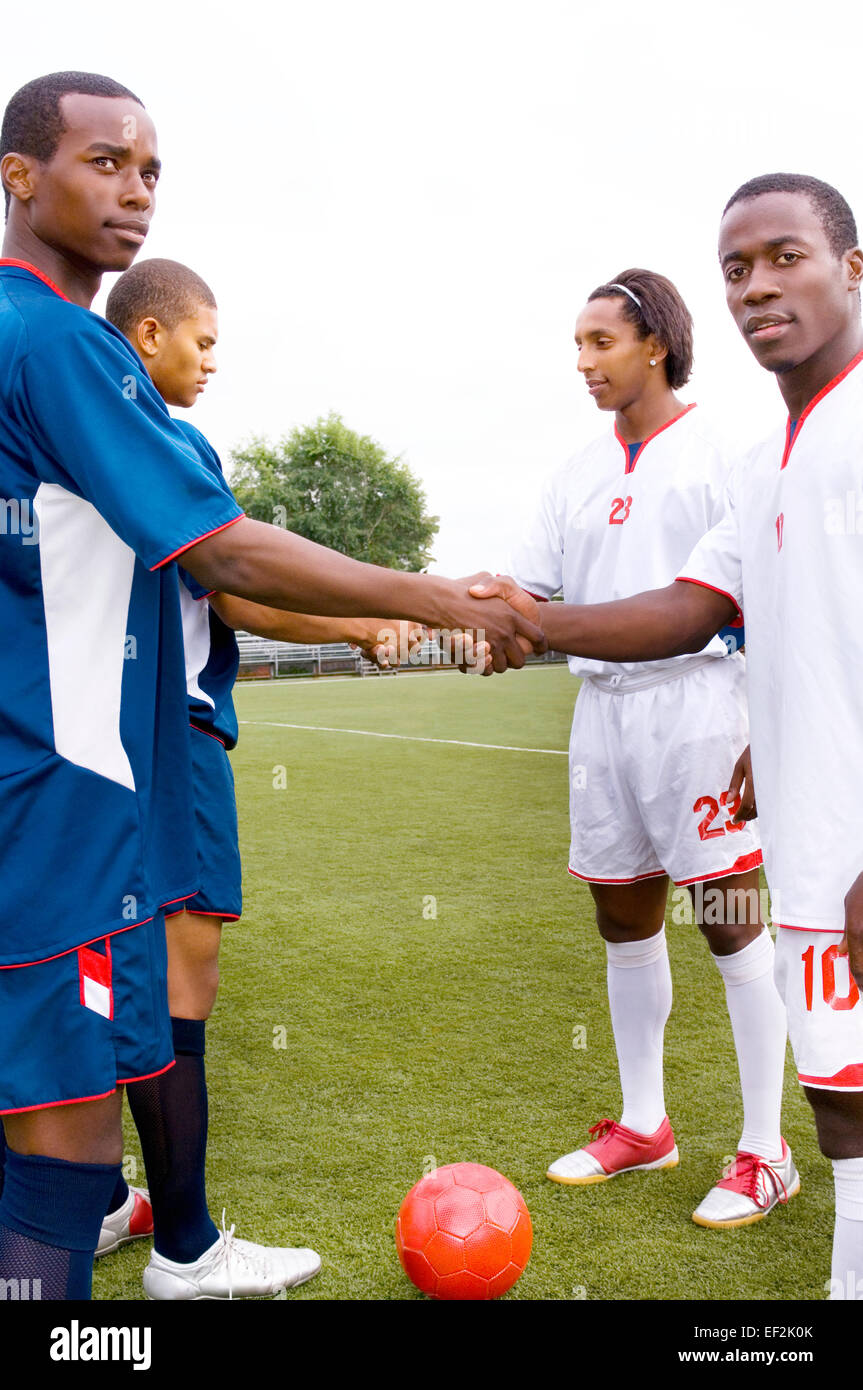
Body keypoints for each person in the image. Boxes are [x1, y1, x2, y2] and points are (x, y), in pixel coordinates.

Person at [0, 69, 542, 1302]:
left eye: (151, 171)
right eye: (104, 163)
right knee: (66, 1155)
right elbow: (226, 552)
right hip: (60, 809)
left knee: (46, 1128)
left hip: (42, 799)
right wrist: (440, 595)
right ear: (19, 176)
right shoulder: (56, 340)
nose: (134, 191)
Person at [474, 173, 863, 1295]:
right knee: (836, 1070)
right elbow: (687, 603)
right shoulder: (765, 460)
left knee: (745, 946)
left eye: (782, 256)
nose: (754, 286)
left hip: (745, 748)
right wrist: (518, 617)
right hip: (744, 772)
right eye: (736, 268)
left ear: (849, 266)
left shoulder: (775, 440)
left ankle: (761, 1153)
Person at [97, 256, 417, 1297]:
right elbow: (234, 589)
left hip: (81, 744)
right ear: (147, 336)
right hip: (173, 737)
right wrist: (371, 617)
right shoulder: (165, 440)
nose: (212, 361)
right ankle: (186, 1250)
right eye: (202, 340)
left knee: (100, 970)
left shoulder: (62, 429)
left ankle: (102, 1198)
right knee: (181, 979)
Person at [504, 269, 793, 1228]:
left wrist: (763, 722)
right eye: (577, 346)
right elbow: (532, 599)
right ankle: (643, 1125)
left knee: (732, 918)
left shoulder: (727, 454)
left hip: (703, 704)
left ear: (654, 345)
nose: (583, 362)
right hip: (603, 718)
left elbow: (747, 606)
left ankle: (765, 1148)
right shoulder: (573, 473)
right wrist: (468, 624)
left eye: (600, 343)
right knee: (623, 919)